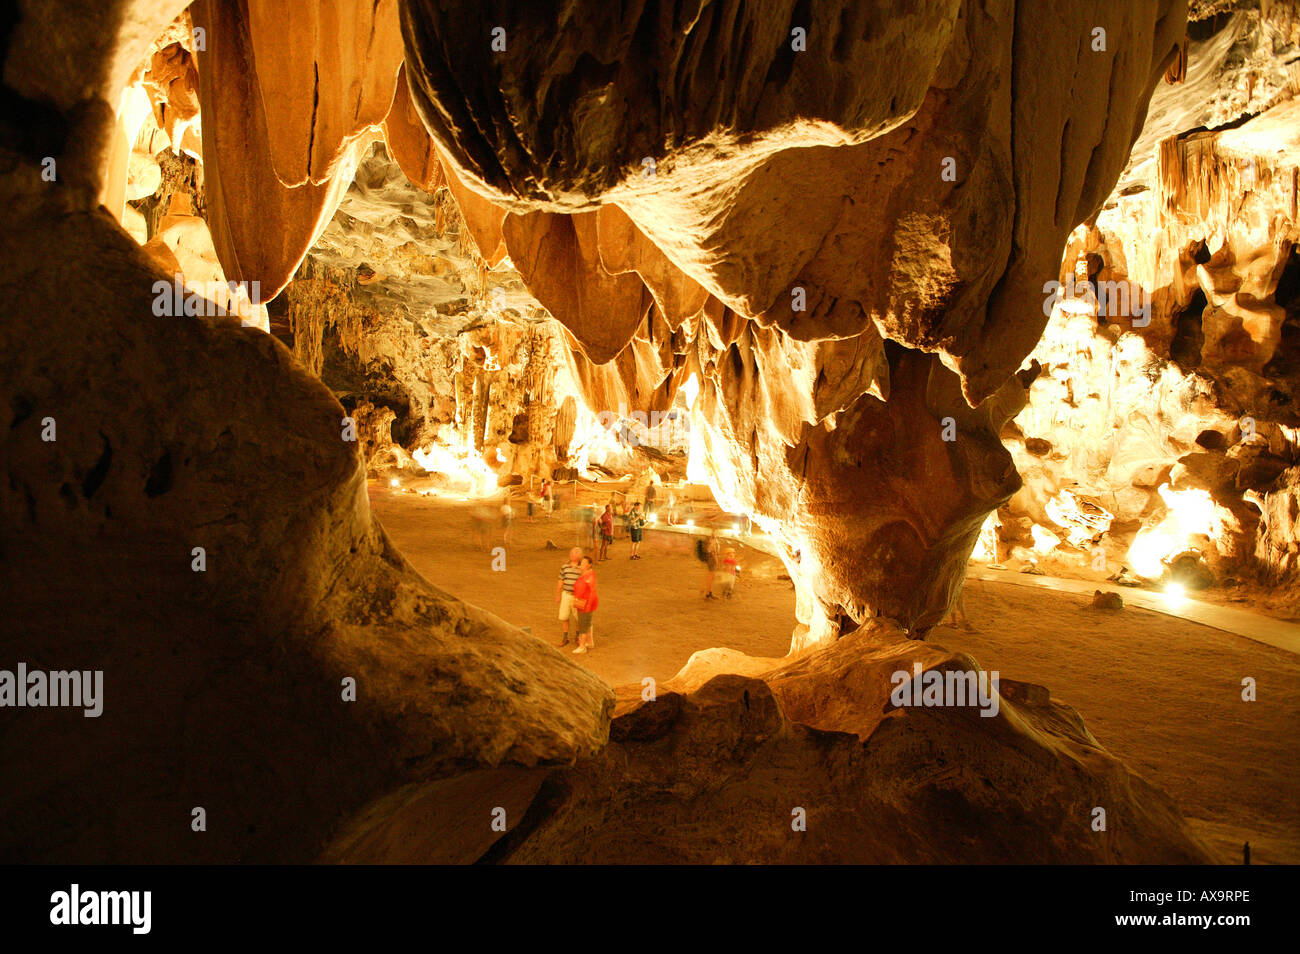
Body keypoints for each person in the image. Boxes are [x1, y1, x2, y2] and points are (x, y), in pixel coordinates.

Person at [554, 547, 583, 647]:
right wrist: (558, 594)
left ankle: (578, 636)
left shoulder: (582, 568)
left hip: (577, 596)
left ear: (579, 556)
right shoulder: (564, 567)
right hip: (566, 594)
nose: (571, 554)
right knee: (564, 616)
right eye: (571, 552)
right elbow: (560, 581)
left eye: (574, 553)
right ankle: (565, 637)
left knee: (578, 618)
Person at [571, 555, 599, 654]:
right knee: (587, 623)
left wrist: (587, 606)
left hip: (585, 604)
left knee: (583, 625)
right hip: (583, 603)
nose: (581, 565)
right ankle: (590, 642)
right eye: (581, 563)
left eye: (583, 563)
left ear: (589, 565)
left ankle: (582, 646)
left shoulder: (589, 576)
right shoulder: (585, 574)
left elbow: (592, 591)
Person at [698, 531, 721, 599]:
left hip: (709, 558)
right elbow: (714, 552)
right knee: (711, 576)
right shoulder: (713, 541)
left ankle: (708, 591)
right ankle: (708, 593)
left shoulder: (709, 540)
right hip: (711, 559)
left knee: (710, 575)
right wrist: (717, 562)